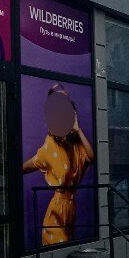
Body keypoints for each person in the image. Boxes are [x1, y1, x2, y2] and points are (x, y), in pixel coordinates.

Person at [23, 85, 95, 245]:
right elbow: (26, 166)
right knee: (58, 250)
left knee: (66, 250)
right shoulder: (51, 145)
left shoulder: (77, 145)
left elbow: (91, 158)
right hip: (57, 211)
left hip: (71, 208)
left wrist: (78, 130)